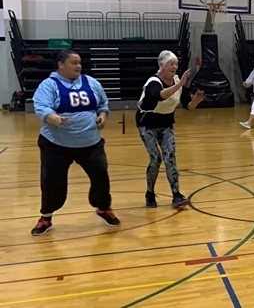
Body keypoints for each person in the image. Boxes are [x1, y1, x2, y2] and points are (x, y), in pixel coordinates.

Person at [30, 50, 120, 236]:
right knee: (52, 182)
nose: (78, 66)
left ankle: (103, 208)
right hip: (56, 145)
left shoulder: (91, 83)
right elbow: (41, 106)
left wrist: (103, 116)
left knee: (101, 175)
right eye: (73, 62)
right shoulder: (49, 85)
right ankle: (46, 217)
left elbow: (103, 104)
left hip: (90, 143)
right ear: (61, 65)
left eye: (79, 62)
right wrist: (52, 117)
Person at [137, 50, 206, 209]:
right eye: (171, 63)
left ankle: (176, 195)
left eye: (176, 63)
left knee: (170, 158)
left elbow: (188, 107)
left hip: (166, 123)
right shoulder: (153, 81)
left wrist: (196, 100)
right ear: (161, 65)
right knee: (156, 158)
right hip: (147, 123)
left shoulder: (176, 81)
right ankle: (150, 193)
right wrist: (180, 84)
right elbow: (160, 95)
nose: (174, 66)